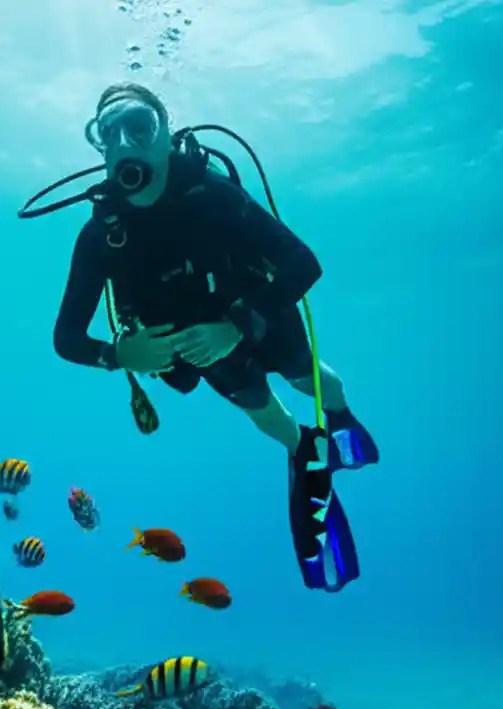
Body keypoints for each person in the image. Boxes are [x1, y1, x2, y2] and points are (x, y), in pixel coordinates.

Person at [37, 82, 378, 591]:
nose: (125, 142)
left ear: (166, 134)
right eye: (109, 132)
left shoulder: (212, 194)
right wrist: (116, 354)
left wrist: (237, 324)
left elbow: (303, 263)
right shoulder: (101, 236)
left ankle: (341, 417)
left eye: (140, 126)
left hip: (261, 318)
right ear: (100, 147)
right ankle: (303, 451)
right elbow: (66, 337)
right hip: (202, 353)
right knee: (267, 415)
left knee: (310, 381)